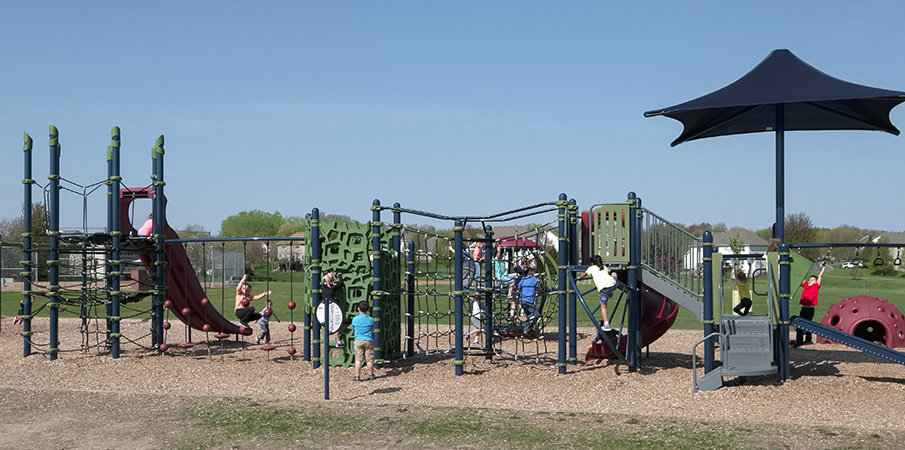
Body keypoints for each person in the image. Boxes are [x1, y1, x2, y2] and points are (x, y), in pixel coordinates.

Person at [578, 255, 618, 331]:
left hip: (603, 289)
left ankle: (606, 324)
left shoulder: (591, 268)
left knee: (603, 307)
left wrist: (579, 278)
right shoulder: (604, 267)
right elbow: (608, 272)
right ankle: (611, 292)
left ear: (592, 263)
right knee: (614, 274)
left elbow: (584, 274)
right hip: (614, 284)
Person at [794, 262, 826, 347]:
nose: (810, 281)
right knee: (799, 324)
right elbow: (801, 277)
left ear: (815, 282)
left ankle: (808, 340)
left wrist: (823, 267)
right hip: (804, 309)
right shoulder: (805, 286)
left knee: (807, 324)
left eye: (812, 280)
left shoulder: (816, 286)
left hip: (810, 309)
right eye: (809, 279)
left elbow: (820, 276)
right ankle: (799, 341)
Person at [351, 301, 376, 381]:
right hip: (368, 340)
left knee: (358, 359)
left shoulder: (355, 319)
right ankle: (371, 375)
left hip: (358, 340)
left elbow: (353, 328)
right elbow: (373, 329)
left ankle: (357, 376)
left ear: (358, 309)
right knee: (369, 359)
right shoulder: (370, 319)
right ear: (368, 309)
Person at [320, 271, 345, 348]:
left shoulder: (323, 287)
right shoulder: (333, 288)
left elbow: (323, 283)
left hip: (324, 307)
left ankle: (326, 340)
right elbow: (340, 283)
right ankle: (338, 341)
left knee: (326, 323)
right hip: (332, 307)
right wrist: (340, 275)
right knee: (335, 324)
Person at [516, 267, 544, 333]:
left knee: (528, 314)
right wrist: (543, 289)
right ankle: (525, 321)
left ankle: (526, 330)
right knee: (537, 315)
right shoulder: (535, 279)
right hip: (529, 301)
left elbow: (519, 287)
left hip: (522, 300)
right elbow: (541, 283)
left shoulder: (523, 279)